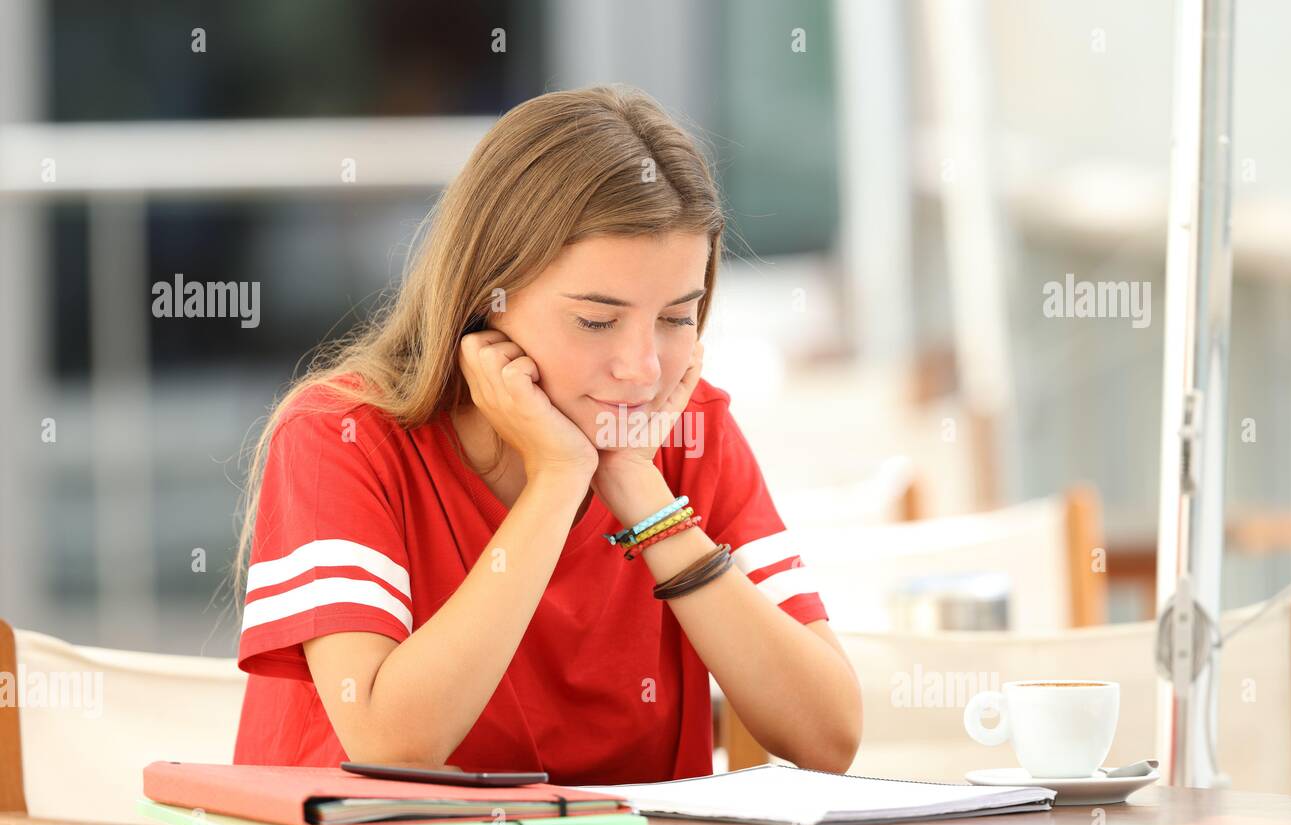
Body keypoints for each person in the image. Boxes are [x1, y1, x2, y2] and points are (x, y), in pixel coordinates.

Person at [229, 84, 862, 785]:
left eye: (678, 317)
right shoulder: (341, 437)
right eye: (596, 321)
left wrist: (641, 496)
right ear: (486, 295)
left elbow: (827, 737)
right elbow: (389, 743)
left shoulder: (689, 433)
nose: (643, 368)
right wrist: (557, 482)